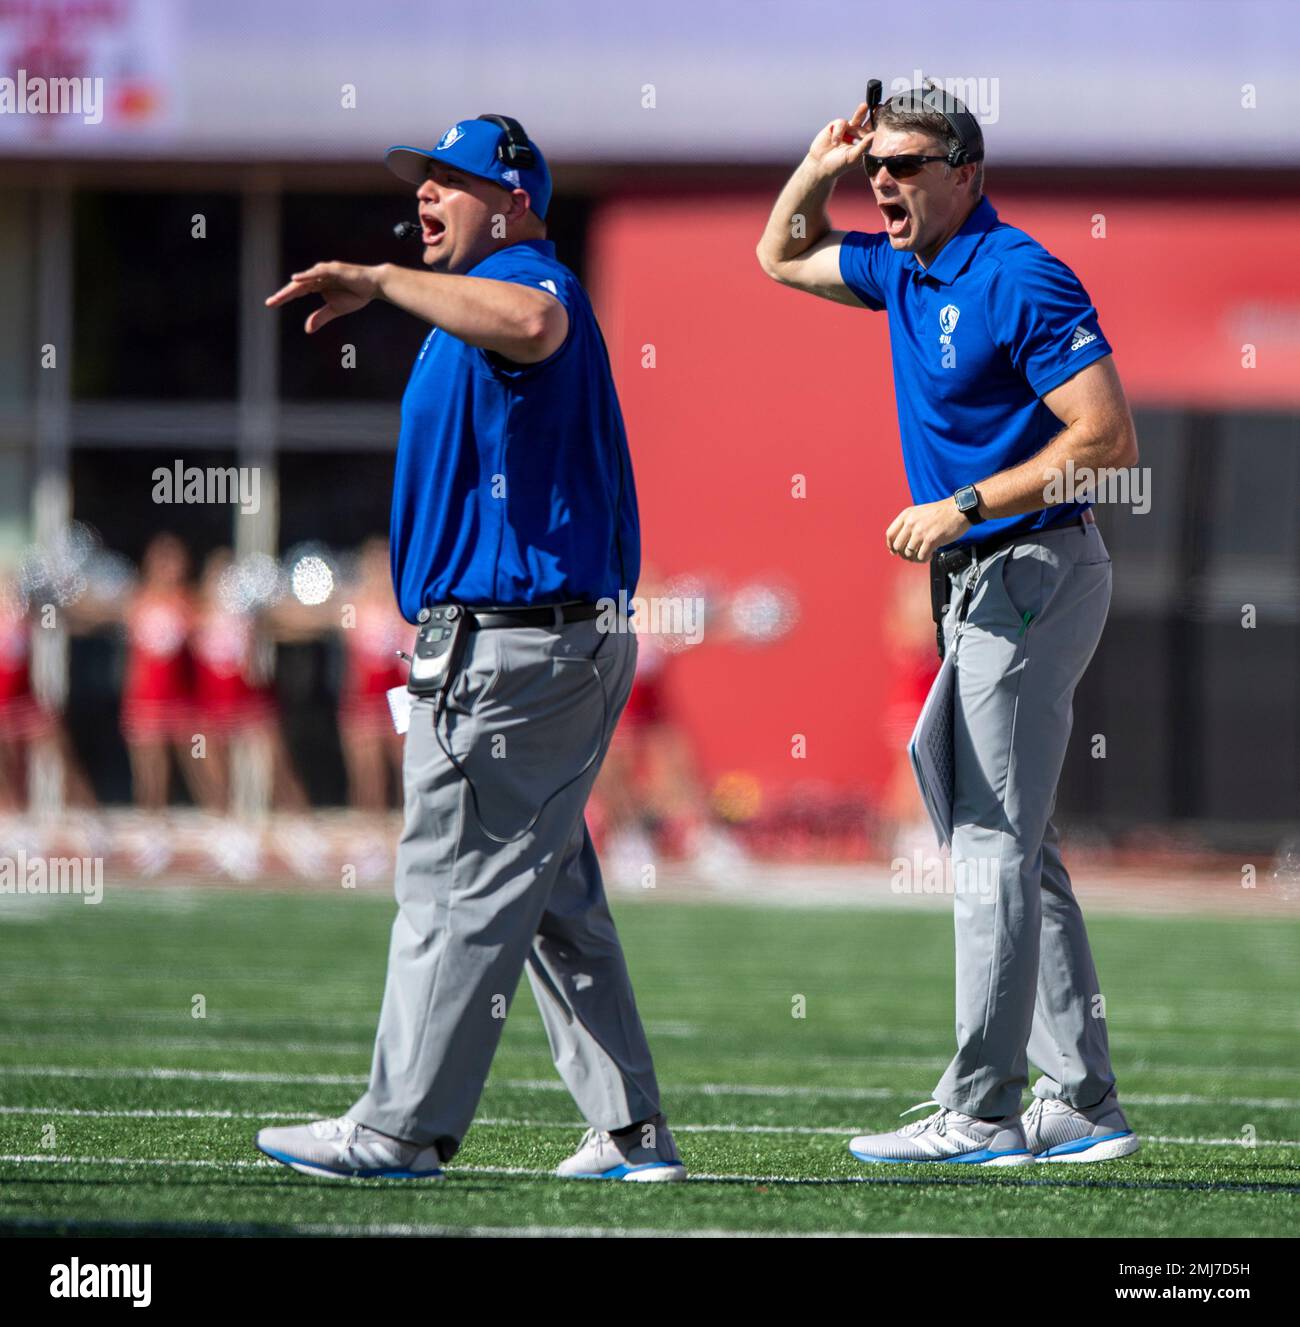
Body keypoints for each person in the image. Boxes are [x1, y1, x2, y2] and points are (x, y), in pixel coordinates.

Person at [254, 114, 683, 1182]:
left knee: (448, 886)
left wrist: (380, 276)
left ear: (517, 200)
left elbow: (533, 321)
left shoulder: (535, 287)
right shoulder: (467, 312)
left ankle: (400, 1130)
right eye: (423, 187)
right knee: (551, 898)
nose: (426, 201)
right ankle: (630, 1133)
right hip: (535, 646)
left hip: (516, 651)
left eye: (451, 182)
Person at [757, 84, 1140, 1164]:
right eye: (873, 165)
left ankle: (980, 1111)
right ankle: (1082, 1099)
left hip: (1028, 565)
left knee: (984, 845)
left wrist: (963, 504)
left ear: (966, 172)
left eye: (906, 163)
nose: (884, 182)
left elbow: (1108, 442)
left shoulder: (1014, 270)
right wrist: (819, 161)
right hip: (986, 579)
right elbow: (779, 254)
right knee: (1017, 846)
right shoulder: (903, 264)